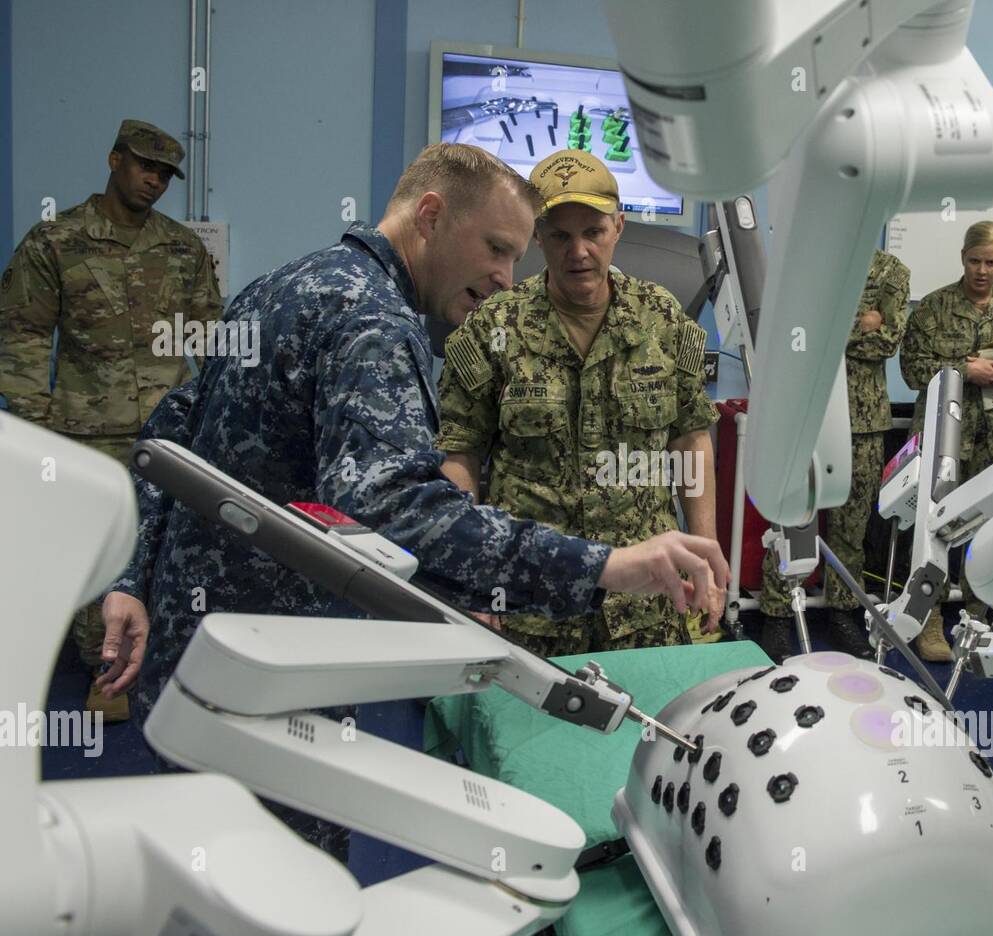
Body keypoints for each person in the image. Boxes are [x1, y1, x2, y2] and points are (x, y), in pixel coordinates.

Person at [95, 142, 726, 860]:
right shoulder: (373, 320)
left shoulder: (281, 286)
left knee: (195, 863)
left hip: (194, 652)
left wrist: (129, 581)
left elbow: (169, 436)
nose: (503, 276)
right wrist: (606, 565)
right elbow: (399, 504)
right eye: (496, 248)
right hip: (274, 670)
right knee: (284, 882)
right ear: (430, 216)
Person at [435, 150, 719, 657]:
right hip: (531, 598)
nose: (579, 251)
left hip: (648, 598)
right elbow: (460, 454)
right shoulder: (492, 327)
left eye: (593, 232)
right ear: (536, 237)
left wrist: (705, 550)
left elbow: (691, 436)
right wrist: (472, 574)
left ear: (619, 227)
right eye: (560, 236)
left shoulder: (662, 319)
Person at [0, 119, 222, 721]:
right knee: (97, 555)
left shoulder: (182, 248)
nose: (153, 180)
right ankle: (106, 674)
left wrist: (215, 418)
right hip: (85, 432)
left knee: (169, 548)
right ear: (114, 159)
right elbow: (20, 336)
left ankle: (164, 661)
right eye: (143, 166)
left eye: (164, 174)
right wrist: (35, 425)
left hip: (169, 433)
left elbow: (210, 337)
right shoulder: (57, 241)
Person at [757, 249, 910, 662]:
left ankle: (843, 612)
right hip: (805, 411)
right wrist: (858, 323)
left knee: (852, 525)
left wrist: (829, 332)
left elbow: (887, 341)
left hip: (863, 419)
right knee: (791, 518)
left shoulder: (891, 271)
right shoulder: (805, 257)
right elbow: (791, 333)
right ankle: (777, 613)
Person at [899, 220, 993, 661]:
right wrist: (963, 368)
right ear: (963, 258)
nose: (982, 270)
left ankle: (981, 616)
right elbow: (911, 370)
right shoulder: (933, 308)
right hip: (945, 439)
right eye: (975, 261)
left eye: (991, 263)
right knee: (935, 527)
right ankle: (931, 619)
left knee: (990, 527)